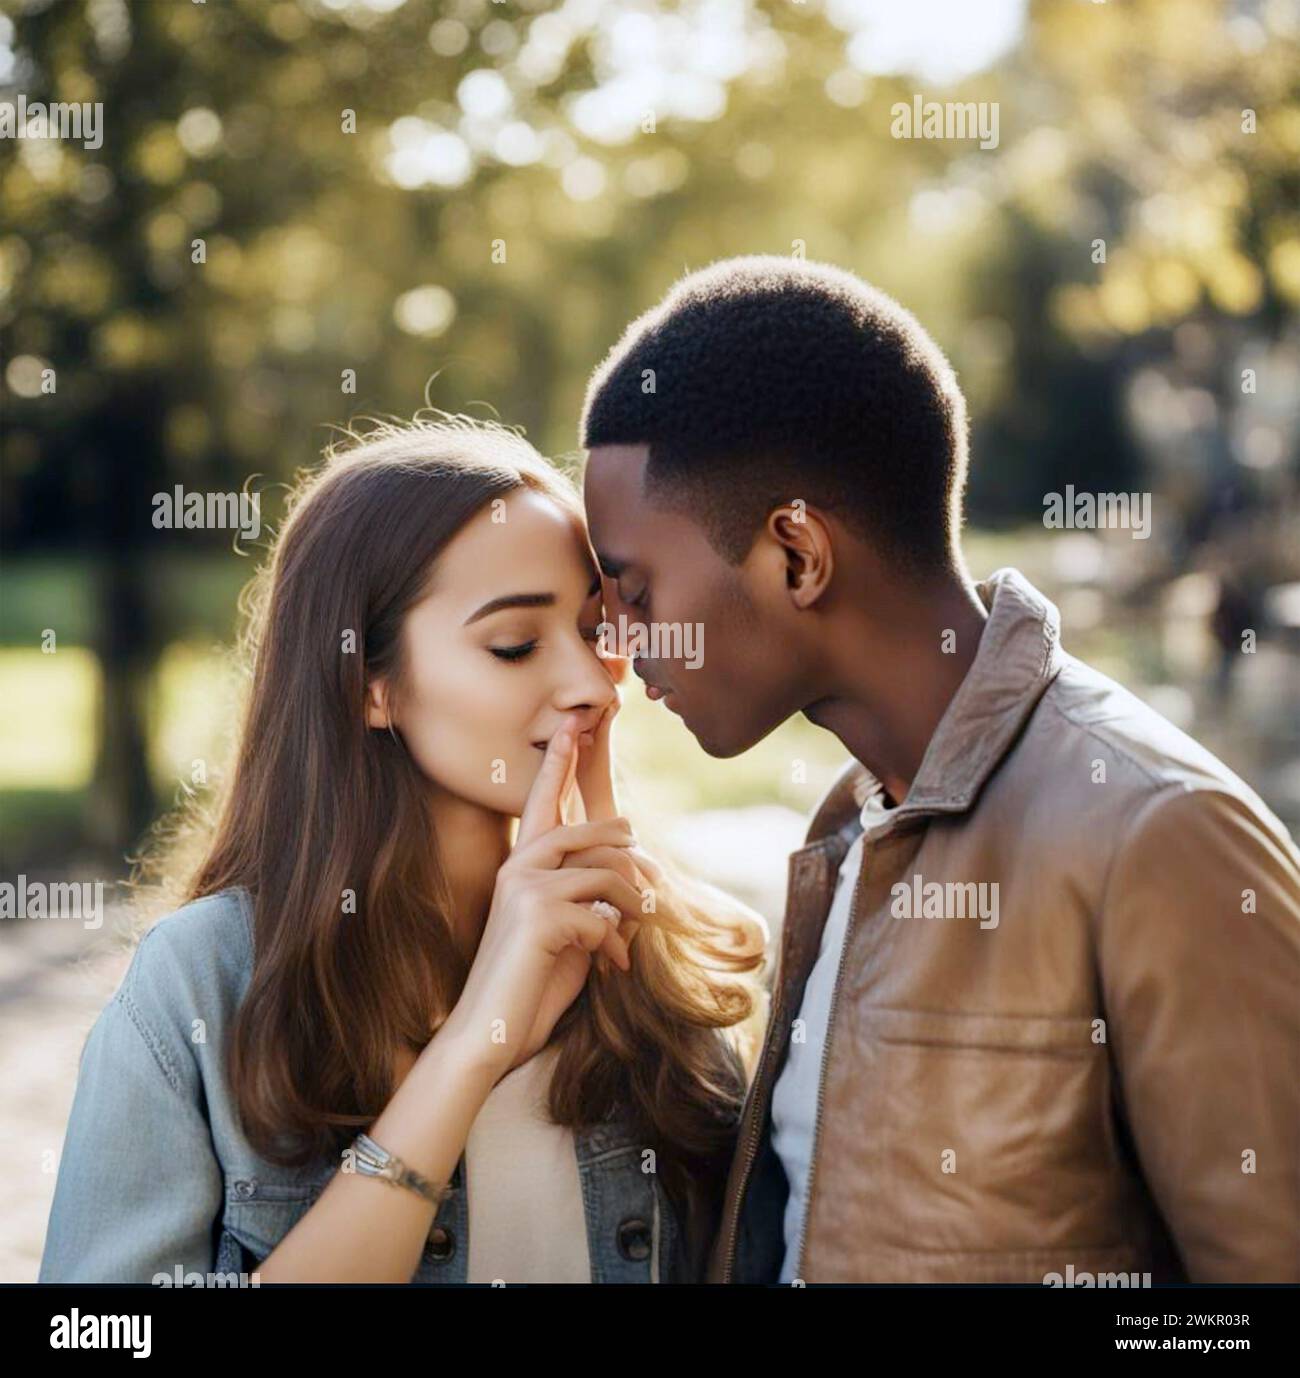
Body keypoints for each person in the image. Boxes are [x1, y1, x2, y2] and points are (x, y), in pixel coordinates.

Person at [579, 255, 1300, 1283]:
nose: (618, 640)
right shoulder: (844, 832)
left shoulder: (1157, 832)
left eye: (636, 590)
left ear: (795, 554)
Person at [39, 417, 764, 1285]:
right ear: (368, 684)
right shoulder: (203, 988)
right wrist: (469, 1052)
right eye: (515, 645)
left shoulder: (652, 963)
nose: (588, 687)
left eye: (591, 631)